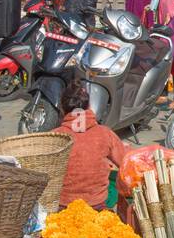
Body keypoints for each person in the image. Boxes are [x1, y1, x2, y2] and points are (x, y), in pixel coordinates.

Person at [53, 80, 126, 208]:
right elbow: (125, 162)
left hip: (62, 206)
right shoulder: (105, 133)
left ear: (62, 108)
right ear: (89, 107)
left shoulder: (54, 136)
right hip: (96, 204)